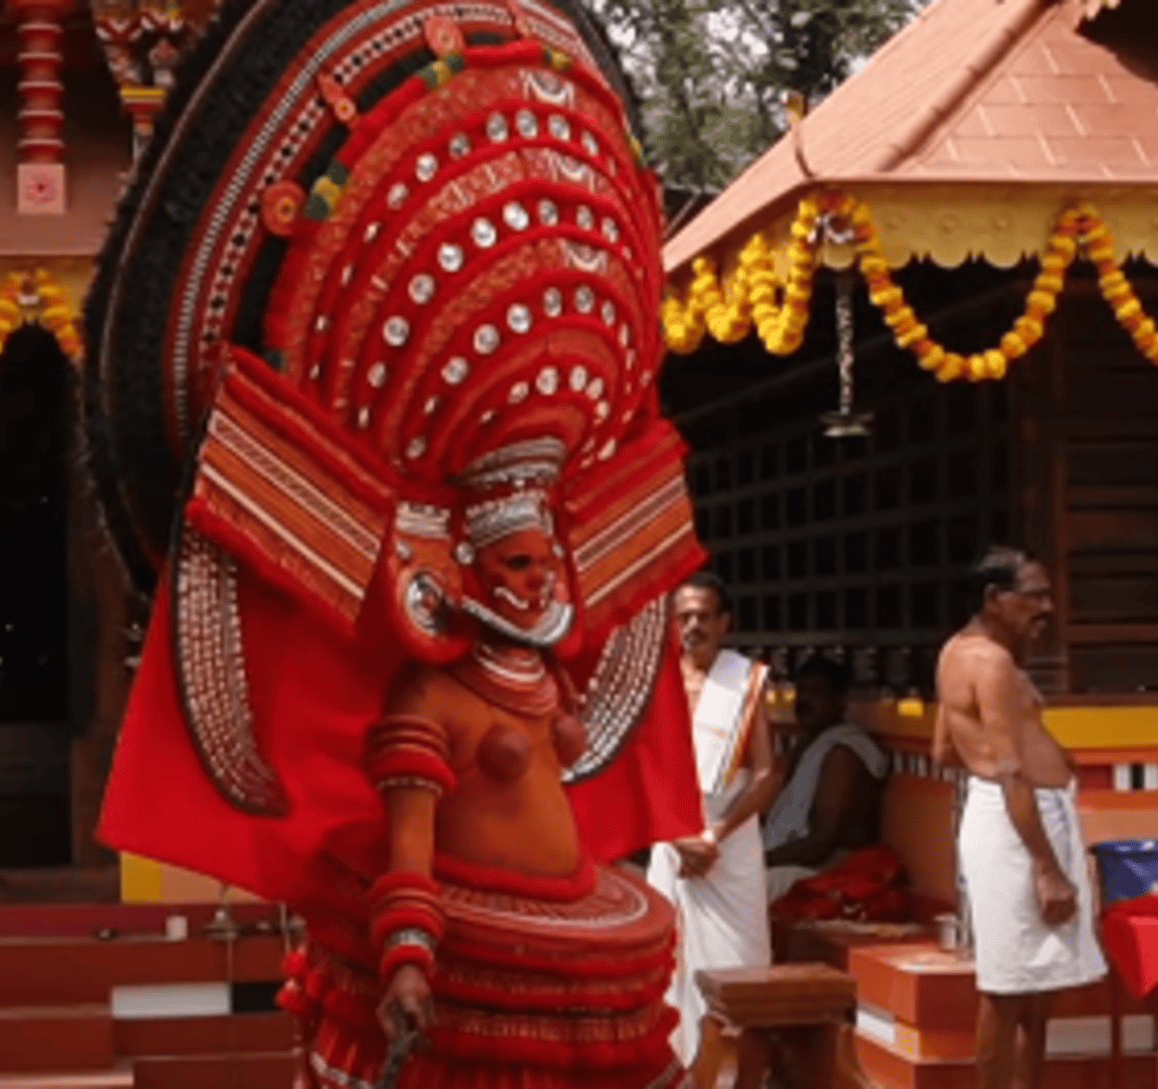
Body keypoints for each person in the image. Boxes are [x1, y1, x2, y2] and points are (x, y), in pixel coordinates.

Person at [83, 0, 710, 1084]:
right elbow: (409, 853)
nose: (536, 582)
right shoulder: (429, 706)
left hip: (569, 953)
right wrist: (409, 960)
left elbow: (586, 774)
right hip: (460, 977)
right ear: (465, 571)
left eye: (545, 563)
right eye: (515, 566)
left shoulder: (545, 680)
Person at [935, 546, 1105, 1089]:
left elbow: (943, 750)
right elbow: (1011, 772)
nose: (1046, 607)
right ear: (995, 598)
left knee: (1037, 984)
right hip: (1019, 822)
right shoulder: (991, 663)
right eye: (1034, 596)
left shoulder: (957, 653)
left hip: (1018, 814)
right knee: (1008, 986)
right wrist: (1047, 867)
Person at [647, 572, 778, 1063]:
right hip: (672, 840)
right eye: (684, 616)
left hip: (731, 841)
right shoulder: (656, 685)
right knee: (668, 966)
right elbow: (642, 770)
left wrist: (715, 834)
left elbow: (767, 775)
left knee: (741, 965)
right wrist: (679, 837)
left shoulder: (744, 681)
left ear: (725, 623)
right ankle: (678, 1071)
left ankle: (734, 1076)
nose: (693, 625)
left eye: (704, 615)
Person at [762, 655, 886, 902]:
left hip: (831, 869)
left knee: (742, 888)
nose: (805, 701)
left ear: (840, 702)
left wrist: (757, 861)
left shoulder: (843, 752)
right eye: (802, 692)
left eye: (817, 693)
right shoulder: (808, 745)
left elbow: (820, 843)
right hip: (795, 862)